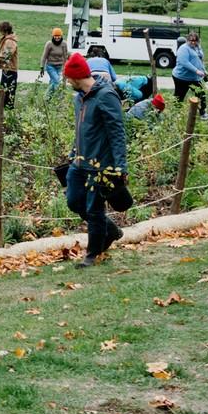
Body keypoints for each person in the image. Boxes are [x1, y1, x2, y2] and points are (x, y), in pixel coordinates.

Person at [62, 53, 127, 269]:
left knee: (94, 209)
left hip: (99, 165)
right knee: (73, 201)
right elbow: (81, 129)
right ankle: (110, 230)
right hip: (79, 162)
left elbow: (117, 132)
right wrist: (73, 152)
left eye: (68, 78)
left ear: (76, 76)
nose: (67, 81)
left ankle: (92, 254)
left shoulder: (106, 96)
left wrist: (119, 167)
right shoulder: (79, 97)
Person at [172, 31, 208, 116]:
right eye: (191, 40)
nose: (193, 42)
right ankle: (176, 114)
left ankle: (202, 113)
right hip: (181, 77)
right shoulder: (183, 48)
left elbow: (199, 60)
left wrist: (203, 70)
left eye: (195, 40)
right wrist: (196, 71)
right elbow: (184, 62)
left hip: (195, 77)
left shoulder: (197, 47)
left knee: (201, 94)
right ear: (187, 40)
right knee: (179, 96)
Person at [0, 21, 19, 109]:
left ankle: (8, 111)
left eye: (0, 30)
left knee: (9, 93)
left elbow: (7, 54)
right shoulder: (7, 39)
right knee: (3, 91)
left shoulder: (10, 41)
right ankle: (2, 110)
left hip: (10, 69)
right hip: (6, 69)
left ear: (4, 30)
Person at [39, 28, 68, 97]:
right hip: (51, 66)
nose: (57, 37)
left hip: (59, 67)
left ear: (61, 36)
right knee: (58, 82)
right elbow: (44, 56)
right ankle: (60, 99)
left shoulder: (64, 44)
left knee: (53, 83)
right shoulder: (49, 44)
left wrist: (66, 67)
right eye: (55, 36)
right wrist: (42, 67)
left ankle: (46, 99)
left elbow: (65, 56)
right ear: (53, 36)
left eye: (58, 36)